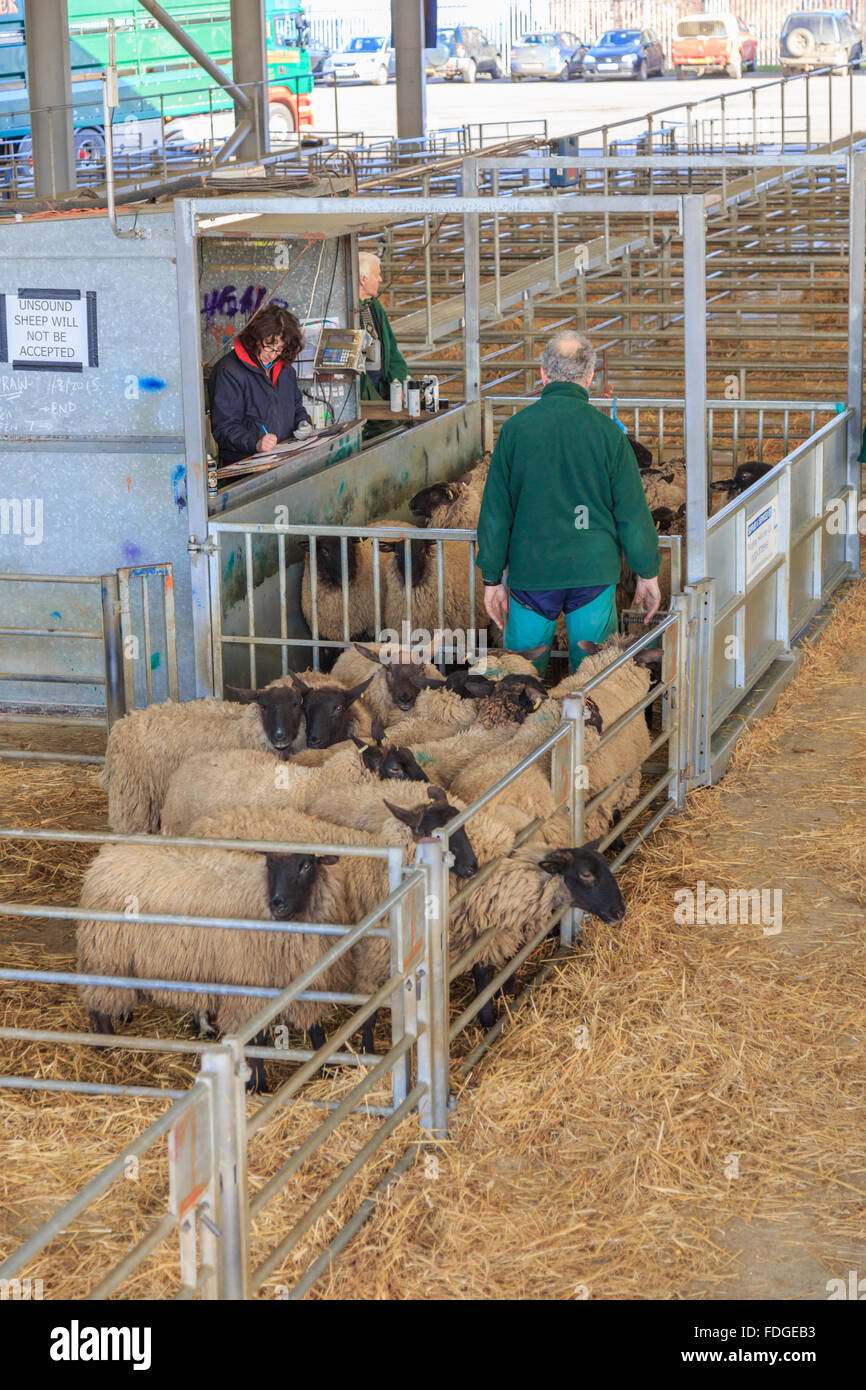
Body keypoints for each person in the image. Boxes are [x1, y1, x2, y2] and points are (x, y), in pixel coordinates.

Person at [476, 330, 661, 675]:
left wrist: (491, 577)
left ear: (543, 374)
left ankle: (525, 726)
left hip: (532, 572)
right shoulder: (608, 434)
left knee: (518, 675)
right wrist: (646, 571)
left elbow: (496, 511)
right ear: (591, 377)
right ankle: (586, 727)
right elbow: (632, 513)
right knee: (593, 675)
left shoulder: (515, 431)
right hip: (592, 572)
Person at [209, 305, 312, 466]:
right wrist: (255, 443)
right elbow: (224, 427)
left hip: (282, 459)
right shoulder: (229, 370)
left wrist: (303, 421)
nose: (272, 355)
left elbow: (296, 406)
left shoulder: (285, 370)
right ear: (256, 338)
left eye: (279, 349)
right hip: (245, 465)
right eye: (268, 347)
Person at [357, 251, 409, 403]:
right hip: (364, 387)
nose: (380, 279)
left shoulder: (374, 305)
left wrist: (398, 380)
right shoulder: (348, 310)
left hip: (381, 380)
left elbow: (391, 347)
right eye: (376, 275)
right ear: (363, 279)